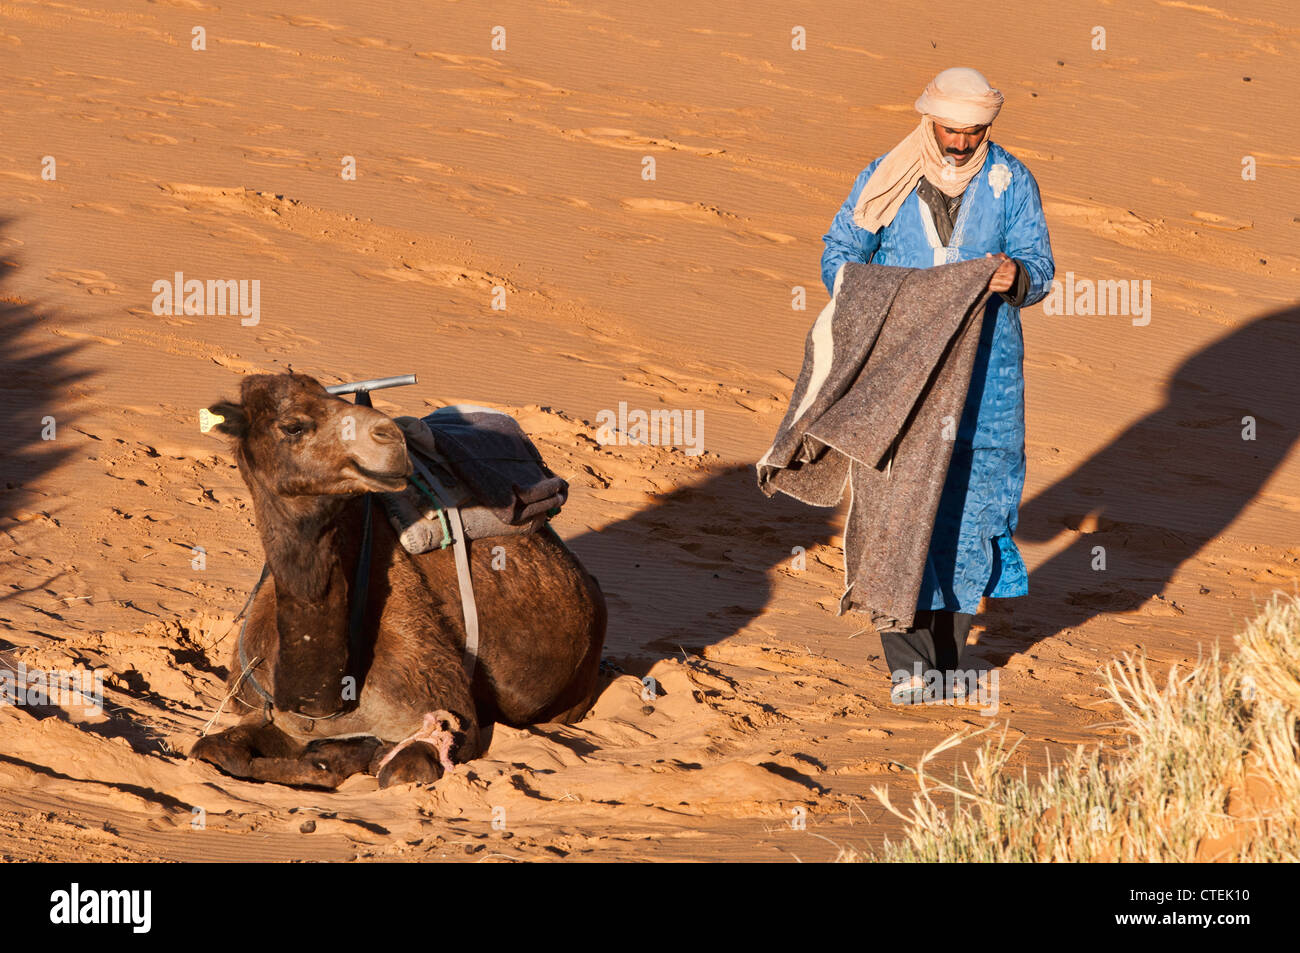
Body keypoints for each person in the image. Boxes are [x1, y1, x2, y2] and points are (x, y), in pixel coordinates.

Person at [820, 67, 1055, 705]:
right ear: (930, 121)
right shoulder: (885, 177)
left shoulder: (1012, 181)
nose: (959, 144)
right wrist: (894, 307)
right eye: (950, 130)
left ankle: (947, 661)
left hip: (988, 377)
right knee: (900, 503)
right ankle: (909, 666)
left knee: (971, 506)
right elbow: (839, 257)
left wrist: (1017, 276)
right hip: (903, 375)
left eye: (973, 132)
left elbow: (1041, 265)